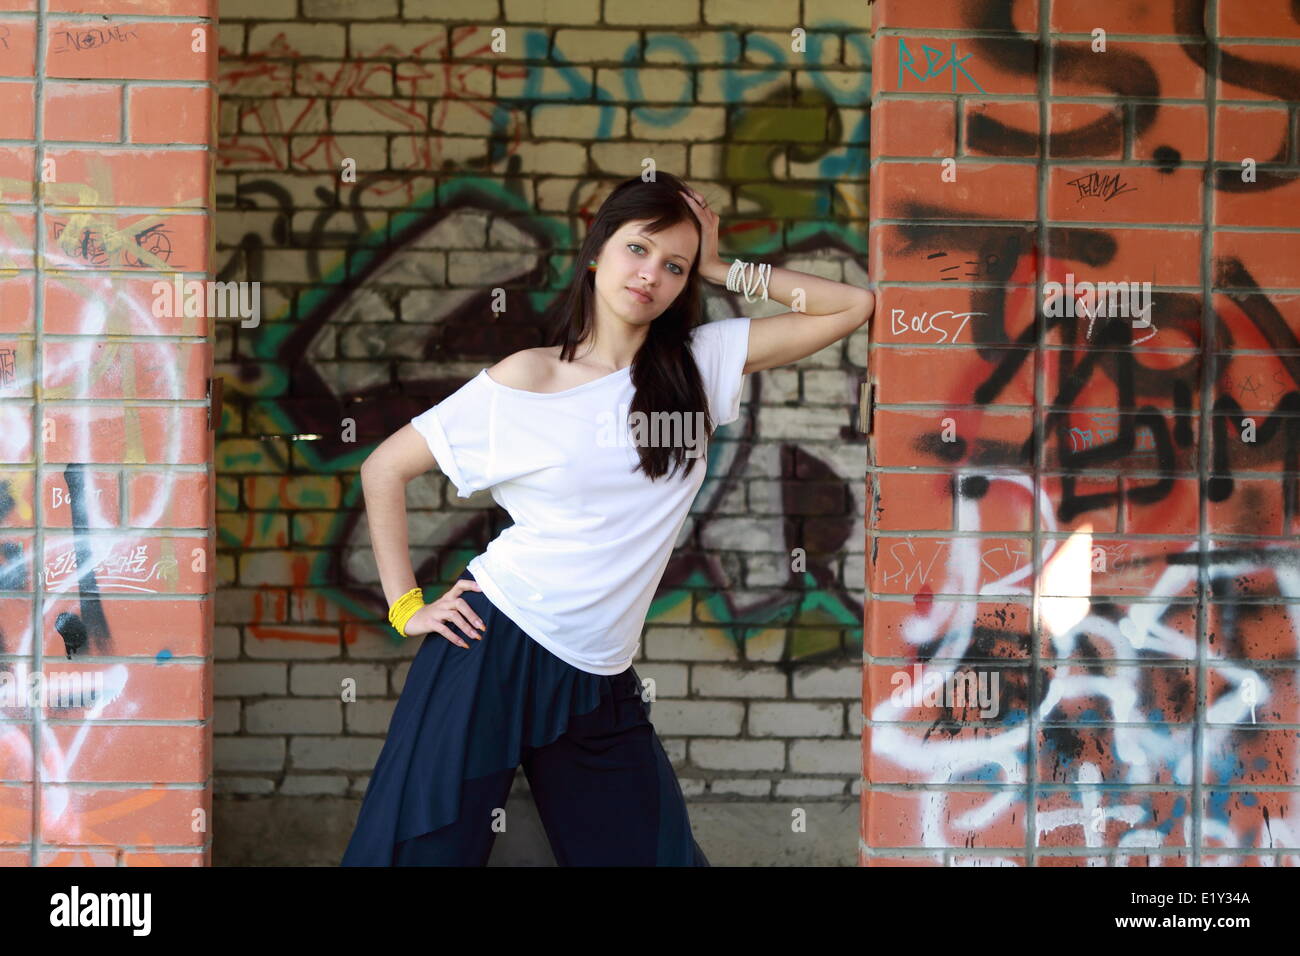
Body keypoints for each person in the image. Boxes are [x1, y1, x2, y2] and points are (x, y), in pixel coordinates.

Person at [340, 171, 874, 866]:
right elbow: (383, 467)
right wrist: (405, 606)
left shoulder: (696, 365)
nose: (650, 274)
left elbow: (850, 305)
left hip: (597, 674)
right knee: (421, 852)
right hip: (493, 646)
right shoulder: (527, 379)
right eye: (638, 249)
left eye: (674, 265)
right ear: (599, 250)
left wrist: (720, 265)